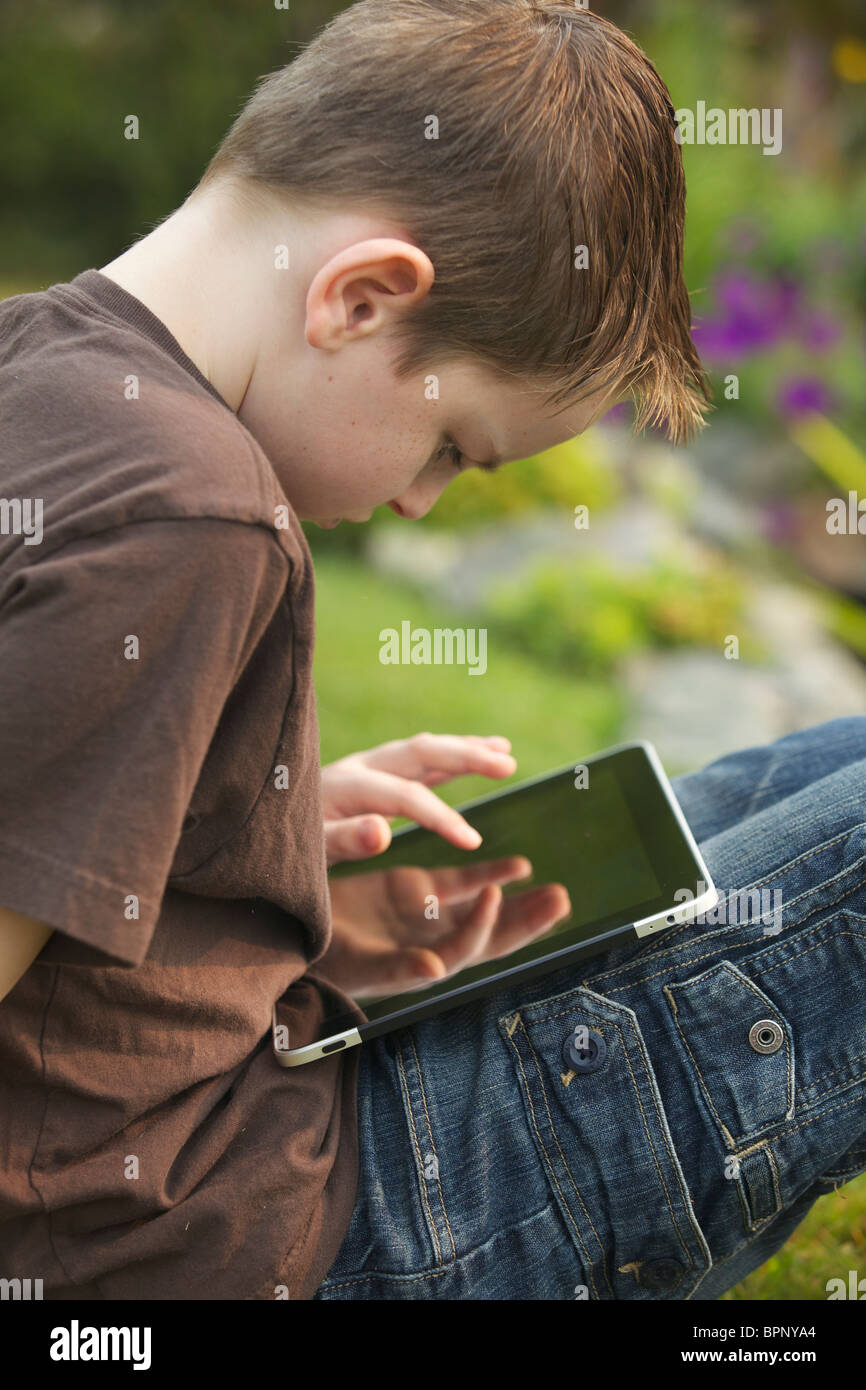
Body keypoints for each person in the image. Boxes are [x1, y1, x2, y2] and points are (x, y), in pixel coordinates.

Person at [0, 0, 862, 1302]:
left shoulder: (34, 368)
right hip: (266, 1235)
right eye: (454, 445)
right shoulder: (193, 511)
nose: (420, 499)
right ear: (361, 298)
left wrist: (217, 839)